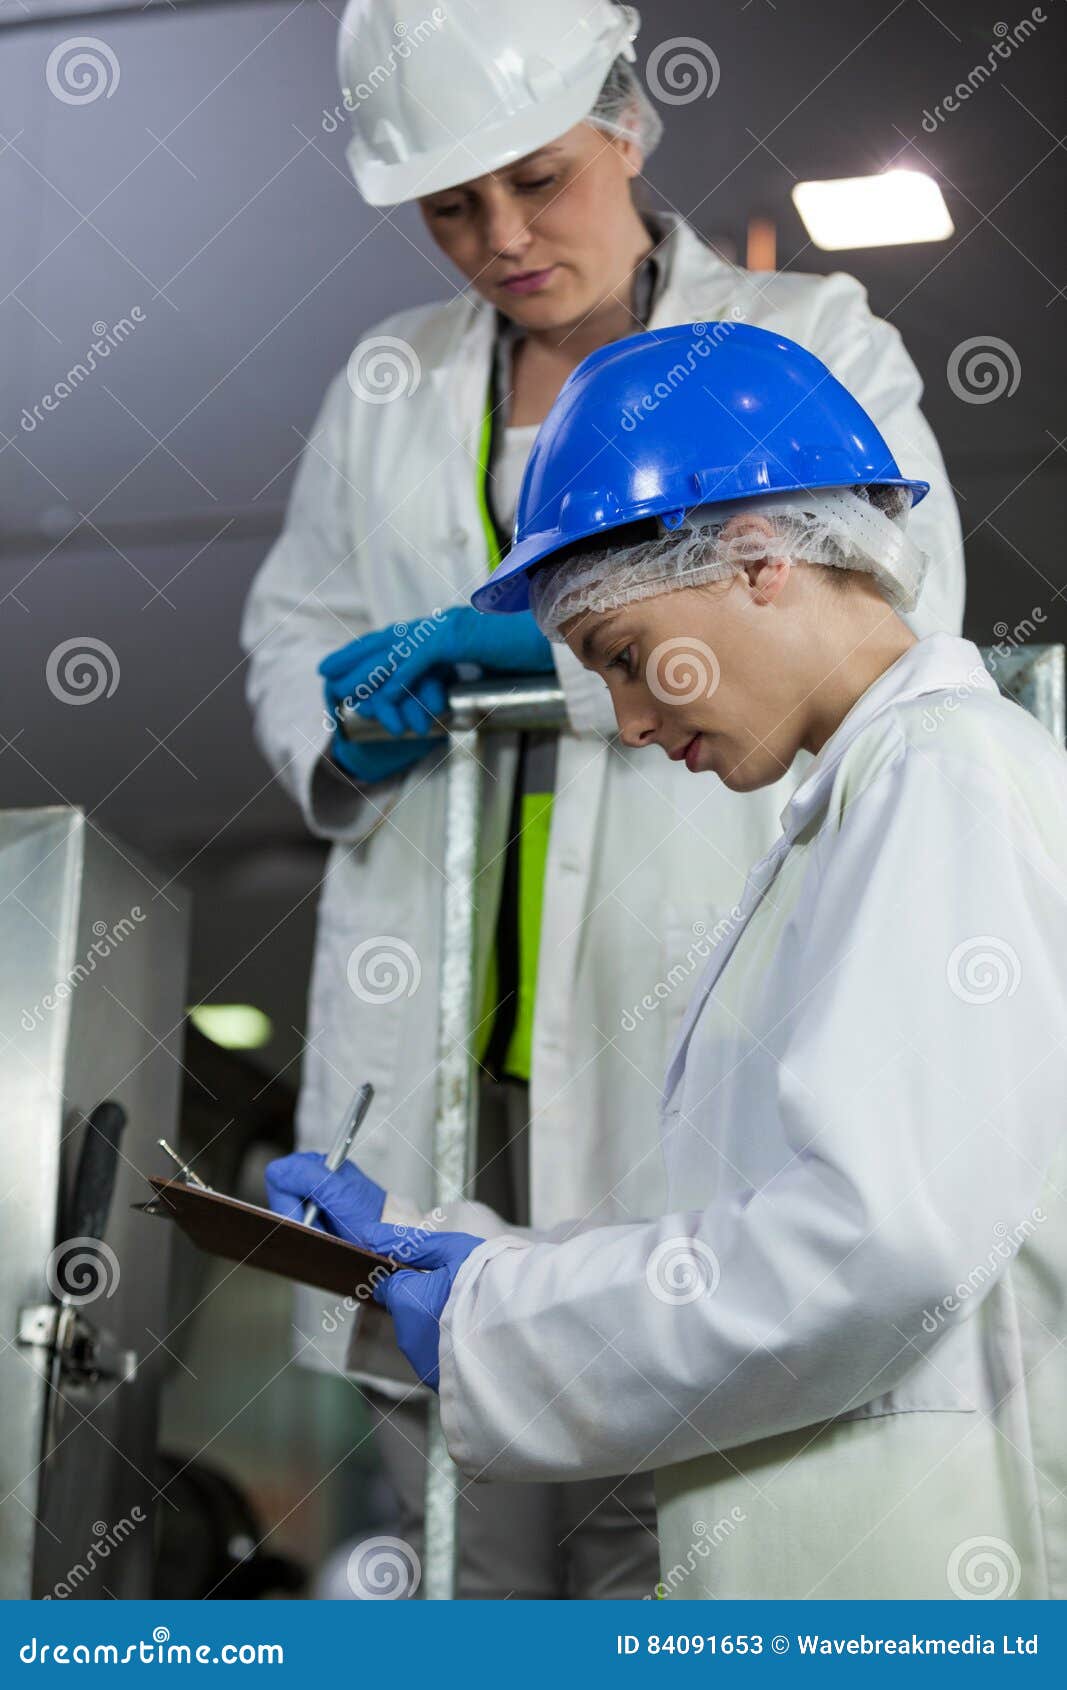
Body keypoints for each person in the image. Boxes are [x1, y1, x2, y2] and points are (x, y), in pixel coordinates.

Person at [244, 0, 964, 1597]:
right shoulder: (384, 382)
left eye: (538, 182)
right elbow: (291, 632)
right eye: (449, 205)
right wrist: (340, 732)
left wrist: (548, 644)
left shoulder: (803, 331)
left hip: (666, 989)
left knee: (679, 1483)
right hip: (444, 1026)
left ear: (626, 131)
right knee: (450, 1528)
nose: (500, 238)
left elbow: (894, 602)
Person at [267, 324, 1067, 1600]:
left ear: (757, 560)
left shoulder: (942, 776)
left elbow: (881, 1244)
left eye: (628, 660)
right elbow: (754, 1230)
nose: (630, 722)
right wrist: (463, 1256)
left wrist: (496, 1319)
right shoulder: (855, 807)